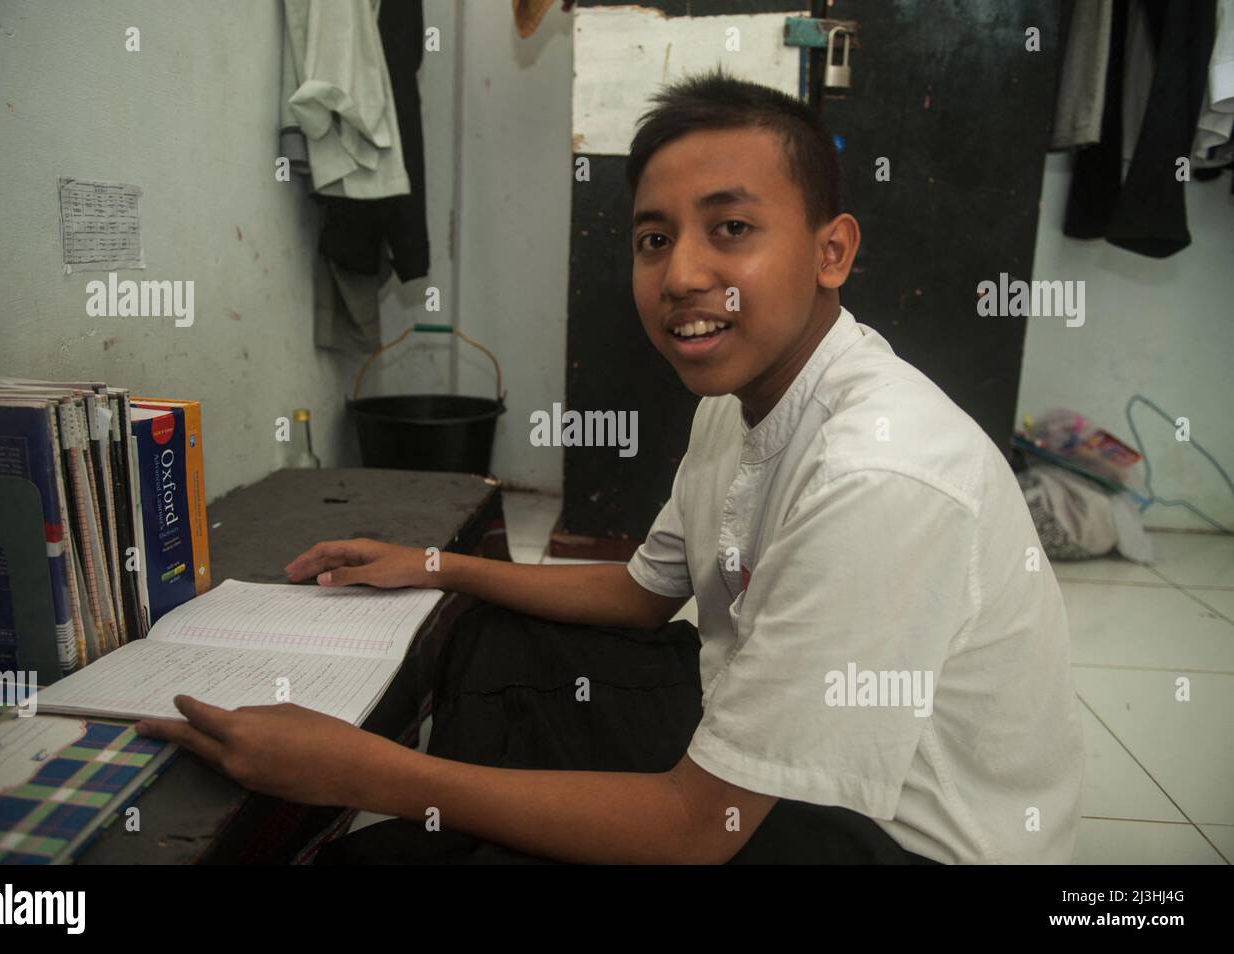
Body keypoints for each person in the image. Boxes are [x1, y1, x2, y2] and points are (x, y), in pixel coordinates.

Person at [137, 71, 1084, 864]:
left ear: (832, 251)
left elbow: (698, 826)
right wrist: (432, 568)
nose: (679, 276)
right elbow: (641, 595)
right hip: (755, 763)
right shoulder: (737, 403)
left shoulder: (879, 476)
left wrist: (356, 770)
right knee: (487, 639)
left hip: (881, 841)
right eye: (654, 238)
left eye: (732, 229)